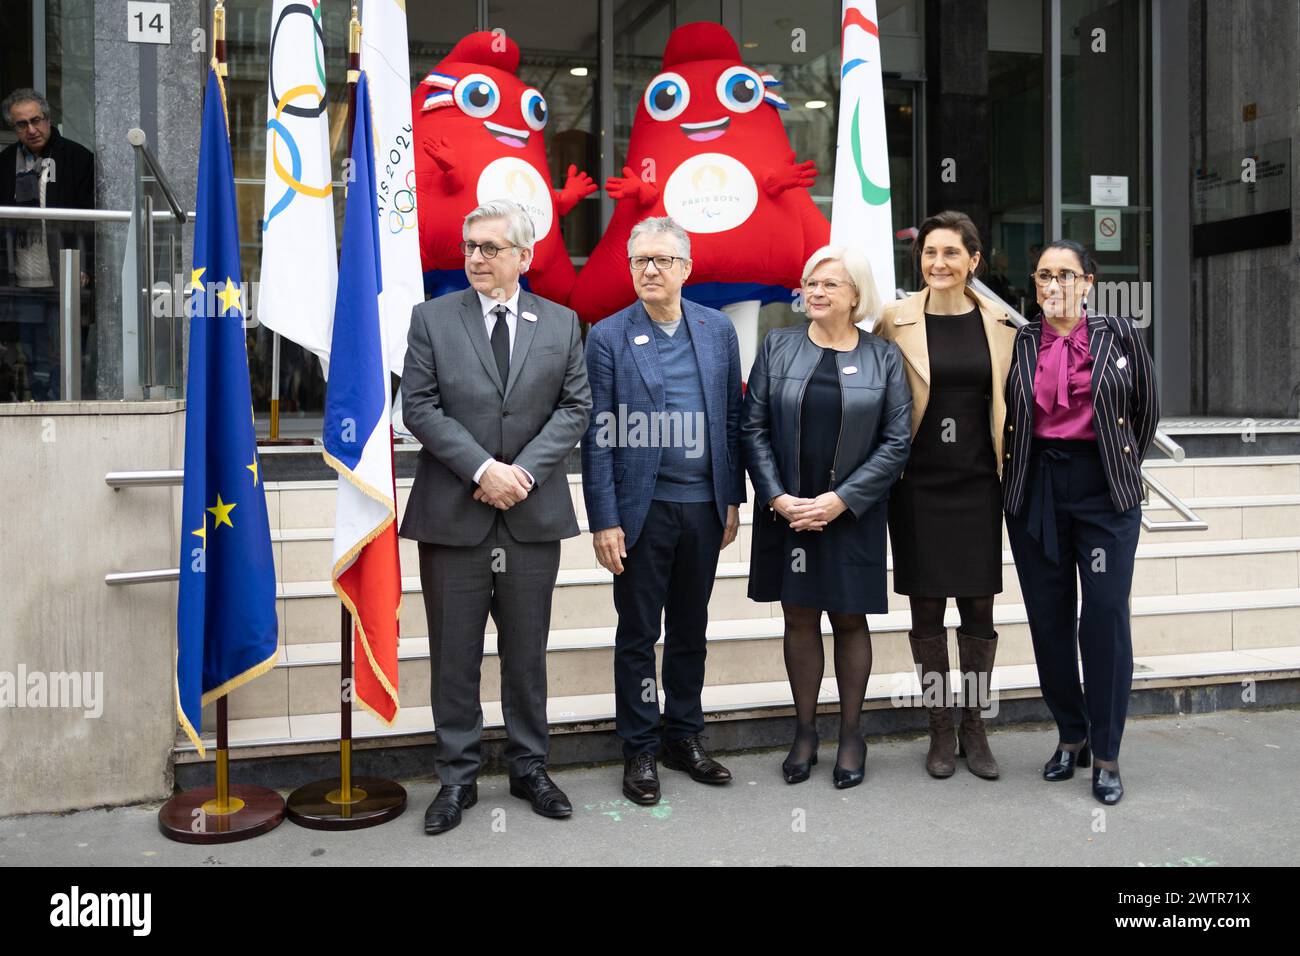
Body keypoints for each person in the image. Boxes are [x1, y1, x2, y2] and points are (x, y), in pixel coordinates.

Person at [400, 200, 592, 834]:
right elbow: (420, 408)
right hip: (454, 515)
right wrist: (485, 470)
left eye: (490, 248)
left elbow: (574, 408)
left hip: (531, 517)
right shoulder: (431, 319)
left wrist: (523, 475)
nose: (475, 258)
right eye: (470, 247)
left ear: (524, 257)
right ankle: (456, 778)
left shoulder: (562, 323)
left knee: (525, 654)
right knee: (454, 654)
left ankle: (529, 767)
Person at [582, 216, 745, 806]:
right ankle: (641, 747)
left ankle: (684, 735)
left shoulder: (717, 328)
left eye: (661, 260)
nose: (649, 270)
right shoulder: (607, 336)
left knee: (690, 629)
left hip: (702, 507)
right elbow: (598, 434)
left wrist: (732, 499)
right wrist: (604, 518)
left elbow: (731, 419)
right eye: (639, 261)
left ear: (685, 268)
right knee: (638, 634)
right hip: (639, 512)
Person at [742, 246, 911, 789]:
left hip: (853, 513)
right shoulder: (777, 346)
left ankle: (852, 733)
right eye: (810, 282)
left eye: (829, 285)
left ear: (856, 296)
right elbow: (753, 428)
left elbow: (896, 441)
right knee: (798, 617)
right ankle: (805, 730)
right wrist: (776, 497)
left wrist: (841, 500)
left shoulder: (884, 357)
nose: (814, 292)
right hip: (788, 511)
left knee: (848, 618)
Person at [1003, 239, 1158, 805]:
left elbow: (1146, 412)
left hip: (1104, 492)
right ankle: (1072, 735)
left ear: (1088, 282)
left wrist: (1116, 465)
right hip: (1037, 487)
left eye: (1065, 275)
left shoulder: (1120, 336)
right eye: (1043, 275)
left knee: (1105, 615)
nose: (1052, 285)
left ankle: (1108, 750)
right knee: (1048, 617)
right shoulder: (1021, 341)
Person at [875, 210, 1017, 780]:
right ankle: (939, 728)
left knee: (979, 609)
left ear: (973, 261)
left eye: (951, 253)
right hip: (917, 486)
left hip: (979, 484)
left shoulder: (1003, 323)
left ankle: (975, 728)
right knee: (927, 610)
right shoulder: (895, 319)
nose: (938, 263)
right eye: (930, 253)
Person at [0, 88, 94, 401]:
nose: (31, 129)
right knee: (31, 358)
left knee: (63, 357)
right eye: (21, 124)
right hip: (20, 282)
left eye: (36, 120)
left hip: (63, 277)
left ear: (49, 119)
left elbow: (90, 221)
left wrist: (86, 265)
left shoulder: (76, 158)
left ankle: (61, 413)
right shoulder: (4, 163)